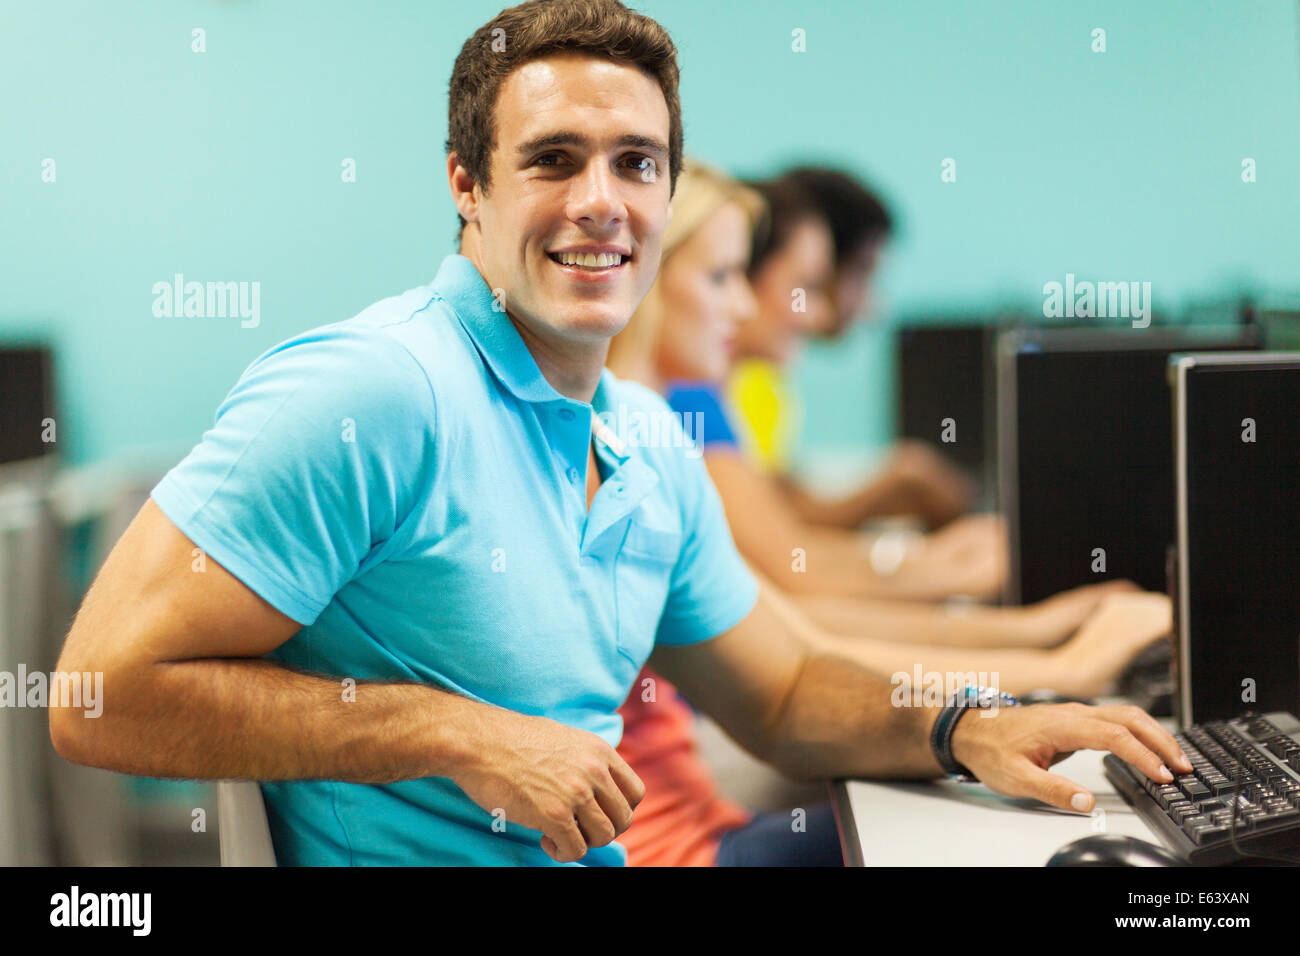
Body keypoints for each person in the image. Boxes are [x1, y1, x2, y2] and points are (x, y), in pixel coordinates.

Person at [49, 0, 1189, 868]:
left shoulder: (643, 435)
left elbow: (783, 692)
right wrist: (454, 730)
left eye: (636, 163)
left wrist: (966, 725)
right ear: (467, 185)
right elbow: (95, 692)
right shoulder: (376, 391)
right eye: (553, 159)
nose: (602, 199)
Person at [607, 162, 1178, 865]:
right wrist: (1043, 661)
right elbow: (803, 609)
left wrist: (1023, 668)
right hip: (701, 797)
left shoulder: (647, 427)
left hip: (703, 799)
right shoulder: (653, 430)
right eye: (723, 277)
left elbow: (794, 627)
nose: (750, 306)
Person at [729, 169, 975, 532]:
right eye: (862, 272)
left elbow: (776, 509)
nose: (820, 312)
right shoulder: (710, 389)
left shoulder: (759, 382)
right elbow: (776, 540)